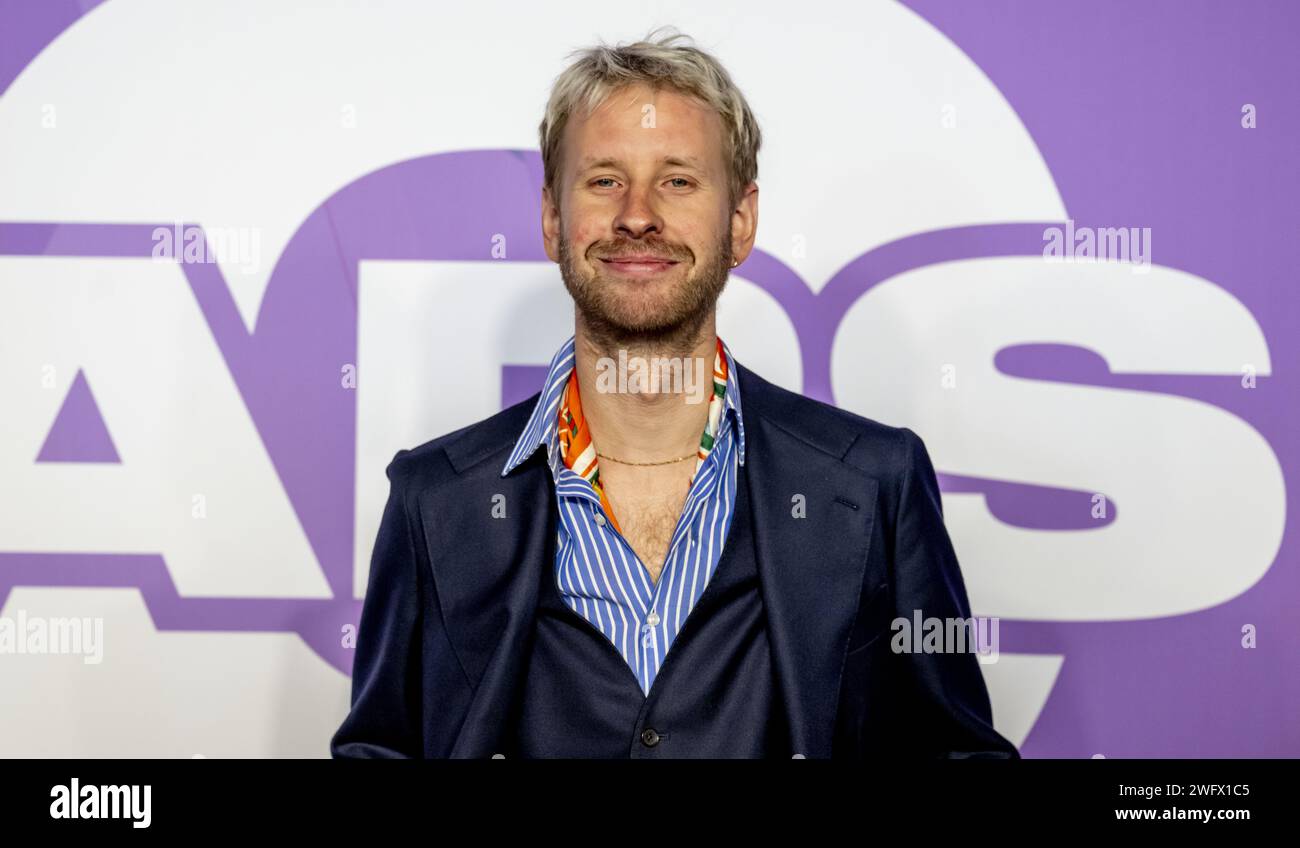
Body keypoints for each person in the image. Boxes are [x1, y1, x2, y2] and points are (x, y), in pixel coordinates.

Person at [331, 26, 1018, 759]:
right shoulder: (433, 499)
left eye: (678, 180)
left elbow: (960, 752)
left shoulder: (877, 481)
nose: (637, 214)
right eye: (604, 180)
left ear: (741, 221)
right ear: (552, 218)